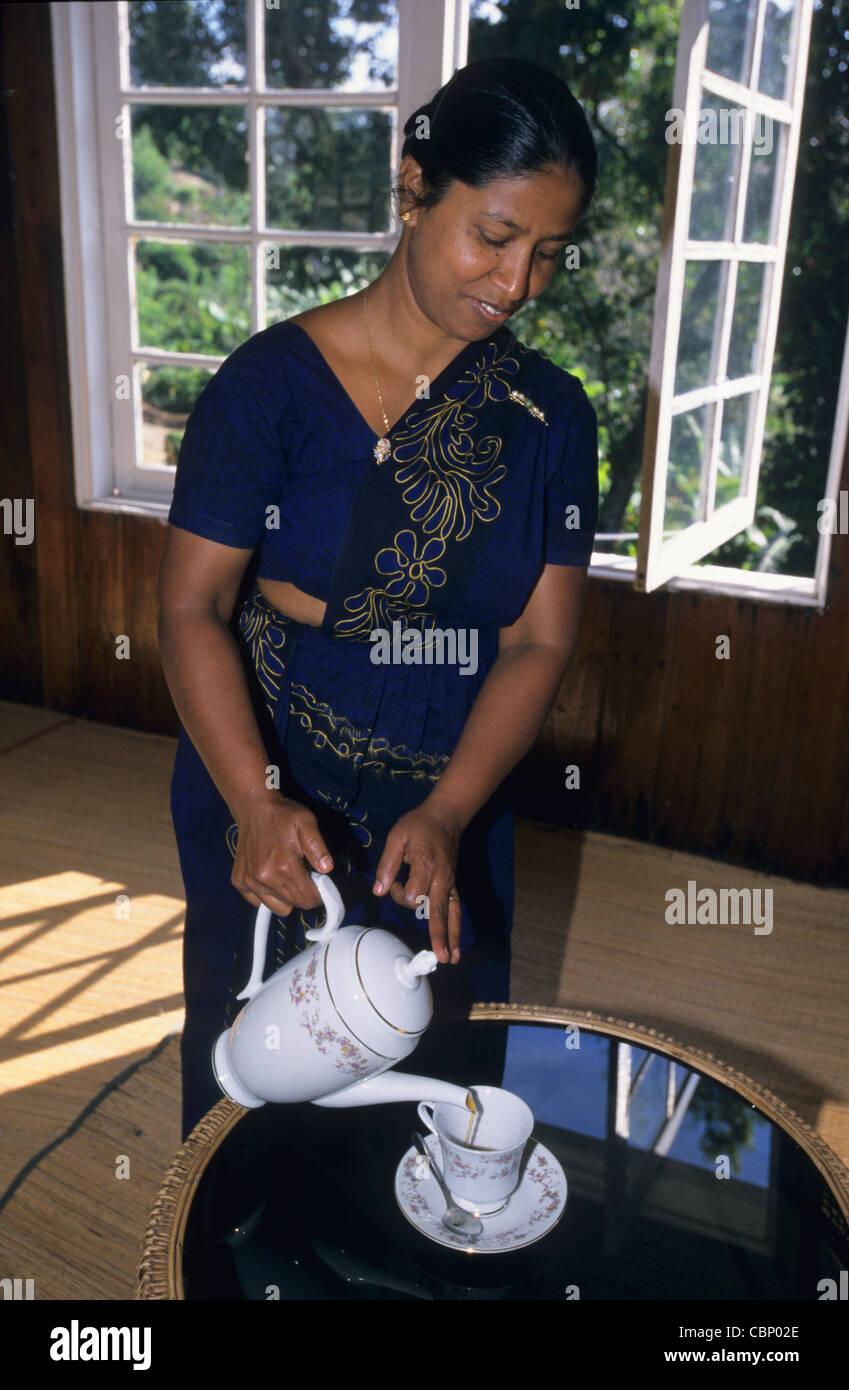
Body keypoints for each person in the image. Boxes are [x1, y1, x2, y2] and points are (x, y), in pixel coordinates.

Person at [158, 56, 600, 1142]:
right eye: (493, 237)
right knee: (258, 1068)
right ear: (413, 187)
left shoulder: (550, 418)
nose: (517, 283)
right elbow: (188, 613)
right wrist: (258, 806)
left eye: (548, 253)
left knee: (439, 1080)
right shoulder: (267, 389)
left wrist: (451, 810)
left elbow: (539, 642)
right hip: (274, 778)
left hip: (448, 792)